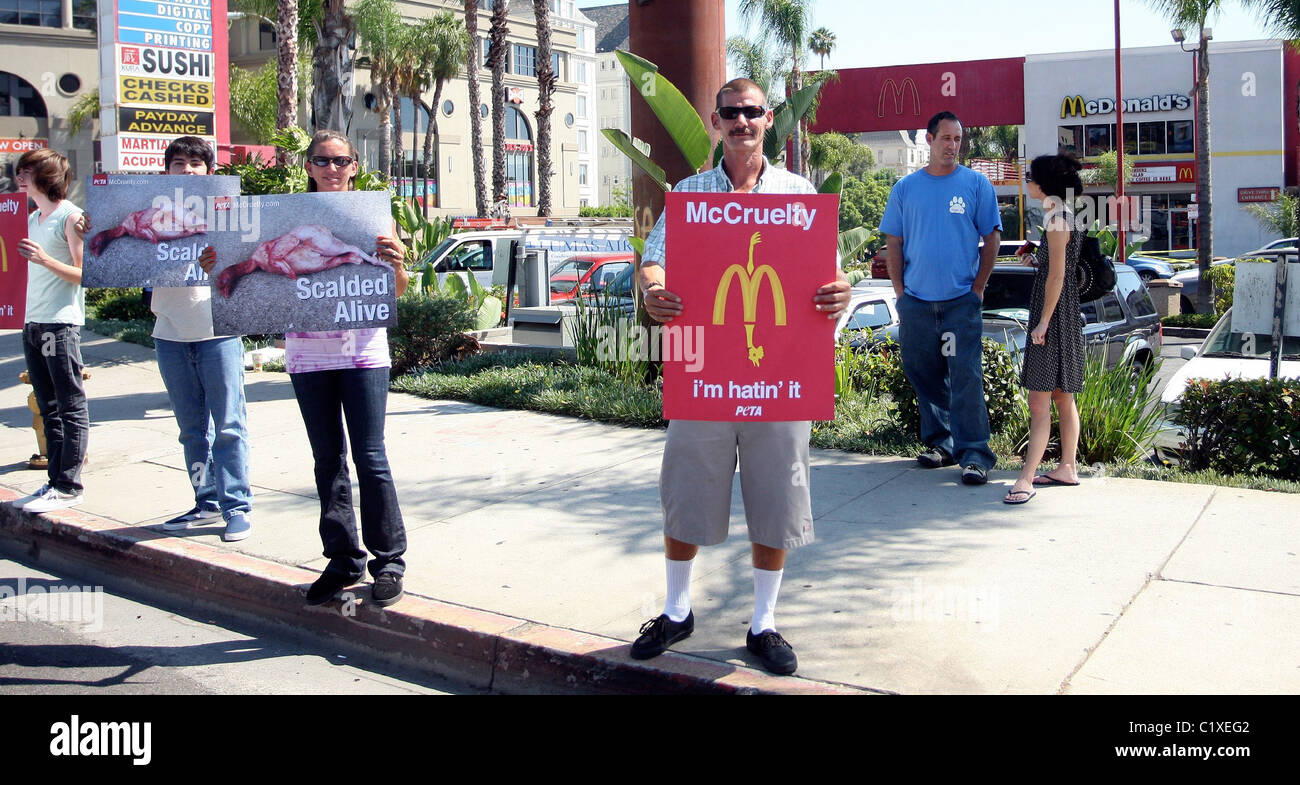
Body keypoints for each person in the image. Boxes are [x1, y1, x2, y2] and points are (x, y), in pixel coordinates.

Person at [631, 78, 850, 676]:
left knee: (776, 497)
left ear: (768, 118)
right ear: (714, 121)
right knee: (686, 489)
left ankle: (764, 623)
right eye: (731, 113)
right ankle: (677, 611)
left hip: (780, 377)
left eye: (752, 112)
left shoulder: (798, 193)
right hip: (703, 371)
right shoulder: (691, 195)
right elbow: (654, 260)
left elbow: (824, 274)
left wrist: (839, 290)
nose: (742, 122)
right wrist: (653, 289)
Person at [290, 130, 410, 607]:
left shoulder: (374, 216)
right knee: (327, 460)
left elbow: (396, 290)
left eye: (341, 161)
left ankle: (389, 561)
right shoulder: (289, 216)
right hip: (307, 356)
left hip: (363, 353)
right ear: (308, 167)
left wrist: (397, 265)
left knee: (370, 457)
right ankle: (342, 560)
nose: (332, 168)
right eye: (323, 160)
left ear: (355, 165)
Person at [136, 136, 255, 540]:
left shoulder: (227, 216)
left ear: (209, 171)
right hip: (169, 333)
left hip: (216, 332)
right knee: (191, 430)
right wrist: (87, 231)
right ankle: (205, 501)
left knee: (228, 426)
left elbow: (243, 272)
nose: (187, 170)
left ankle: (236, 506)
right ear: (166, 171)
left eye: (195, 164)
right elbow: (121, 264)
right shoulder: (149, 215)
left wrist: (215, 264)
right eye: (179, 163)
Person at [880, 111, 1001, 485]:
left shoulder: (977, 186)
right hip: (916, 303)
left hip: (959, 303)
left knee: (965, 376)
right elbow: (894, 243)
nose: (952, 146)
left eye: (957, 140)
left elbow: (992, 239)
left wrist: (978, 288)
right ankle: (941, 444)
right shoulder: (905, 189)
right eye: (946, 138)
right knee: (924, 375)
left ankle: (975, 454)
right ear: (930, 140)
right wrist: (900, 293)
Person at [9, 149, 89, 514]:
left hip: (61, 323)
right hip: (33, 322)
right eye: (20, 171)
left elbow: (84, 273)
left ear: (48, 175)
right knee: (48, 407)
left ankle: (71, 485)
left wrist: (44, 259)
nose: (20, 177)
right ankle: (55, 481)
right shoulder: (32, 218)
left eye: (28, 171)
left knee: (70, 407)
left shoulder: (70, 217)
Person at [1004, 155, 1085, 504]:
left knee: (1039, 401)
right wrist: (1034, 261)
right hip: (1064, 312)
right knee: (1063, 398)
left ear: (1043, 184)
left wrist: (1042, 322)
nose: (1027, 181)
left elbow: (1058, 275)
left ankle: (1025, 479)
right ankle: (1067, 466)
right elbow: (1055, 266)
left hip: (1054, 314)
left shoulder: (1057, 219)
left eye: (1030, 177)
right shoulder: (1065, 215)